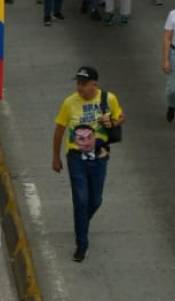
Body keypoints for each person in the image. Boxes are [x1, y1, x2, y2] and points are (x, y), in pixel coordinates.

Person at [51, 66, 124, 263]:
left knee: (95, 200)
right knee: (81, 200)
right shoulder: (69, 103)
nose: (80, 87)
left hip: (99, 156)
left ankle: (81, 222)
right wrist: (56, 157)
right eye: (78, 83)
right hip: (76, 157)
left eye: (84, 84)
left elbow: (120, 117)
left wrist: (111, 122)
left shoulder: (108, 99)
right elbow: (59, 130)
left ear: (94, 84)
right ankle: (81, 244)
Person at [164, 6, 175, 123]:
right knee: (173, 89)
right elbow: (167, 38)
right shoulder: (174, 14)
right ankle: (172, 105)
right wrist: (165, 60)